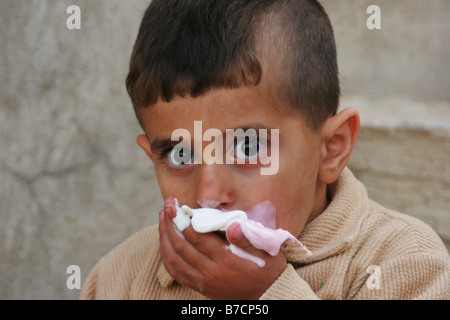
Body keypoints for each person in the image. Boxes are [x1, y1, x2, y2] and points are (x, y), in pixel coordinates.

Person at [80, 0, 450, 299]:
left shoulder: (403, 262)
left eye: (248, 146)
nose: (209, 195)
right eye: (181, 155)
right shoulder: (122, 278)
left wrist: (268, 294)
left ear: (331, 150)